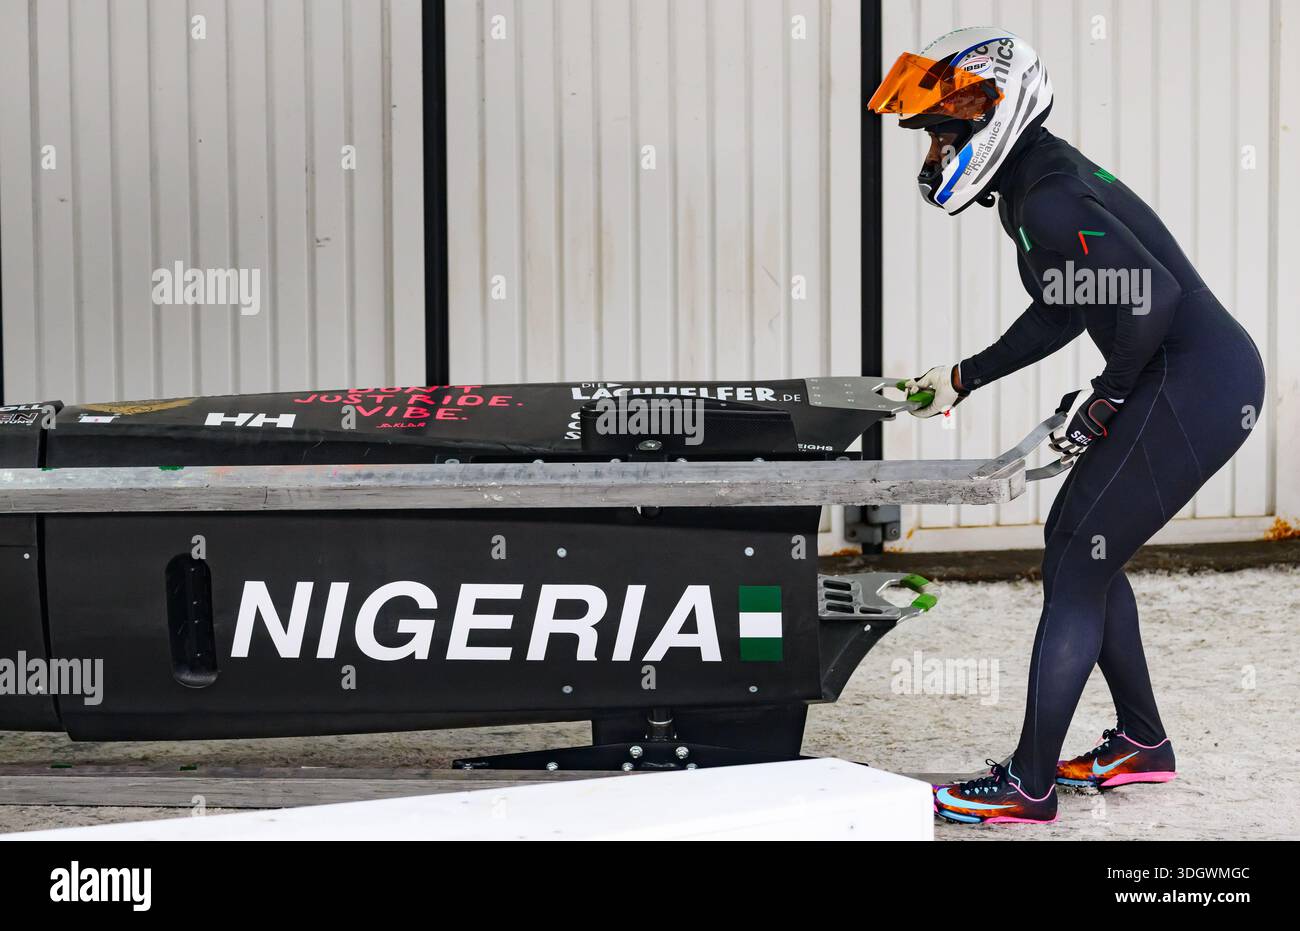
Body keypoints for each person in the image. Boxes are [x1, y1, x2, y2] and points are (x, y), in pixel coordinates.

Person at [869, 26, 1266, 825]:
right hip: (1190, 376)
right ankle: (1142, 744)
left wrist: (1108, 398)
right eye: (934, 134)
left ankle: (1029, 782)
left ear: (997, 110)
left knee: (1076, 552)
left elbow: (1148, 299)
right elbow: (1075, 299)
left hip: (1195, 382)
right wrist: (963, 376)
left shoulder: (1046, 196)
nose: (939, 148)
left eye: (948, 129)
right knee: (1088, 543)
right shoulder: (1034, 181)